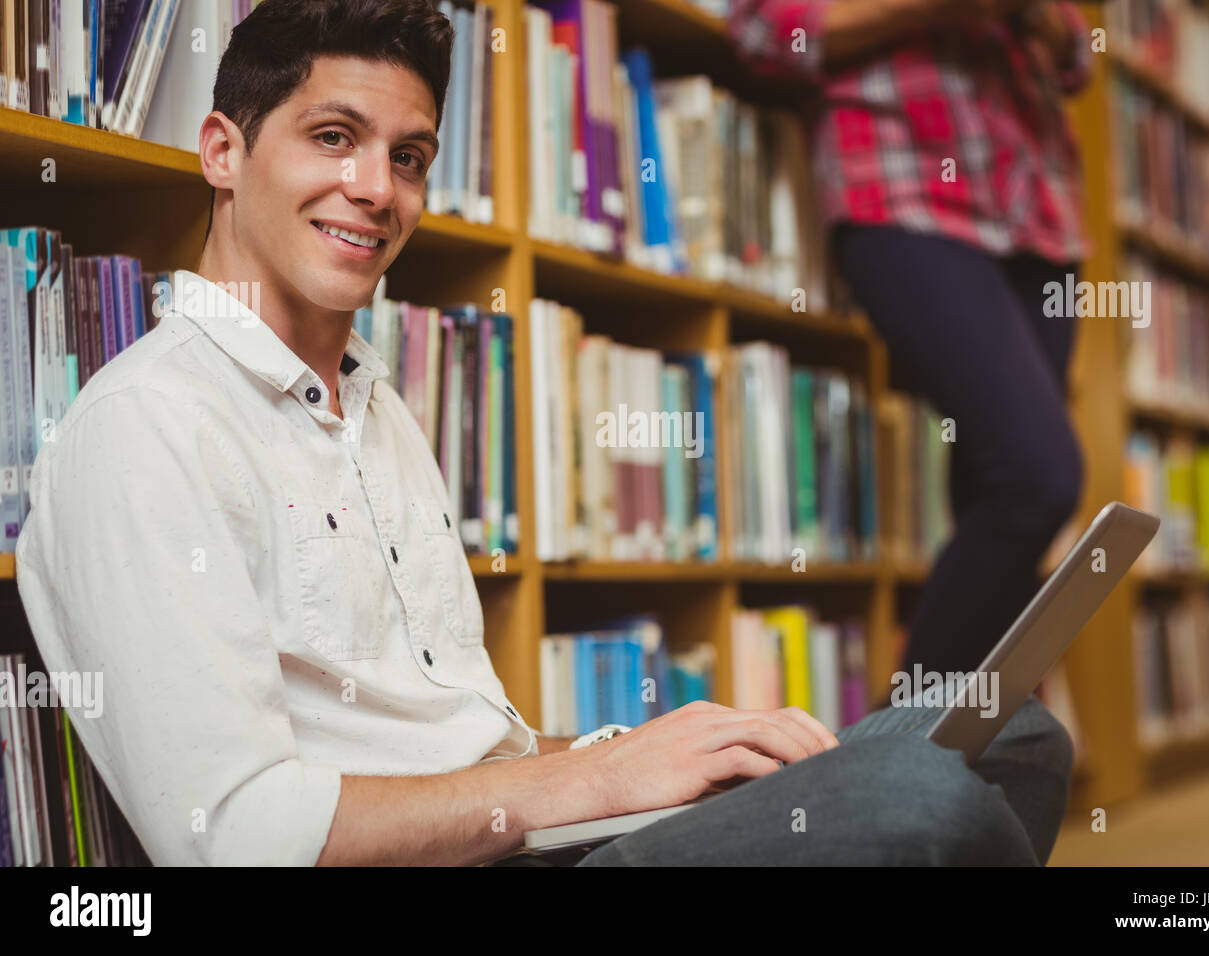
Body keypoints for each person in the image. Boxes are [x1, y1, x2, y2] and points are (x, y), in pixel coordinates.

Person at [16, 0, 1073, 867]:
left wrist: (647, 753)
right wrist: (592, 779)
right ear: (221, 152)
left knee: (1003, 730)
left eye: (410, 155)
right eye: (332, 138)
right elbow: (234, 839)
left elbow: (474, 743)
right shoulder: (144, 427)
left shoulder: (373, 406)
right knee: (915, 796)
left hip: (537, 831)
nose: (375, 189)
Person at [729, 0, 1094, 677]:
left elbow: (1078, 58)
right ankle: (896, 750)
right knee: (1036, 481)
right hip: (900, 183)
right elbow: (762, 31)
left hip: (1037, 207)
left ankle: (961, 763)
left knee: (996, 502)